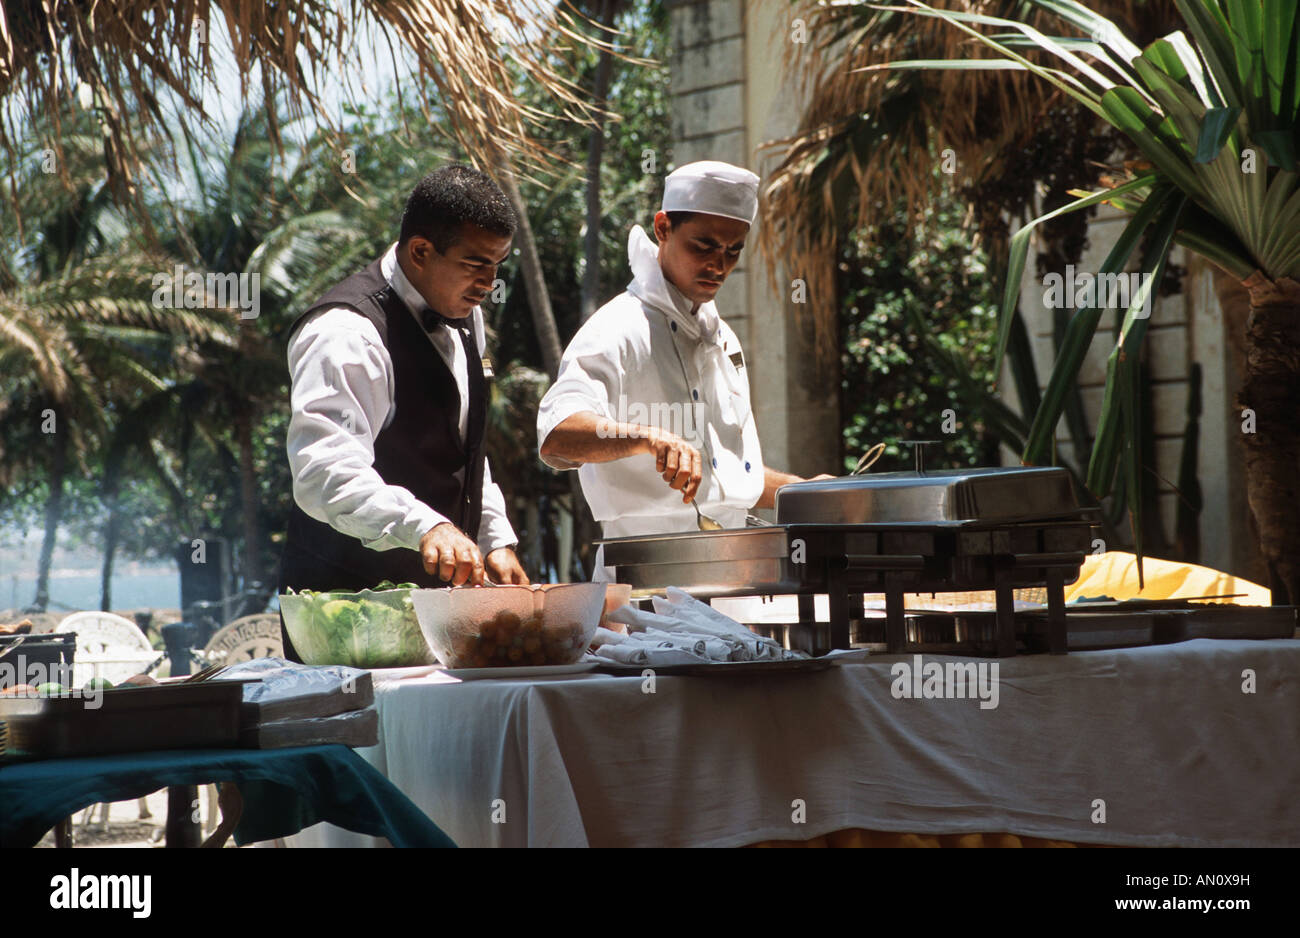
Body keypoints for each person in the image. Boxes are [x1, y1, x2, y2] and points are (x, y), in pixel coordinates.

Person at [278, 166, 529, 660]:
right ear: (420, 251)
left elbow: (464, 450)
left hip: (437, 619)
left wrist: (493, 537)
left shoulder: (464, 311)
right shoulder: (346, 333)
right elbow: (323, 471)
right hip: (346, 620)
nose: (489, 283)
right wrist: (426, 526)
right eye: (476, 263)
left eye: (498, 265)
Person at [536, 160, 830, 580]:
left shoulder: (722, 335)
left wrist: (800, 491)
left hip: (735, 577)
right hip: (644, 585)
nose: (719, 265)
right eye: (703, 246)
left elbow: (724, 471)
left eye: (733, 251)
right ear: (662, 228)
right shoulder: (617, 327)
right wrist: (647, 437)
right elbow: (556, 437)